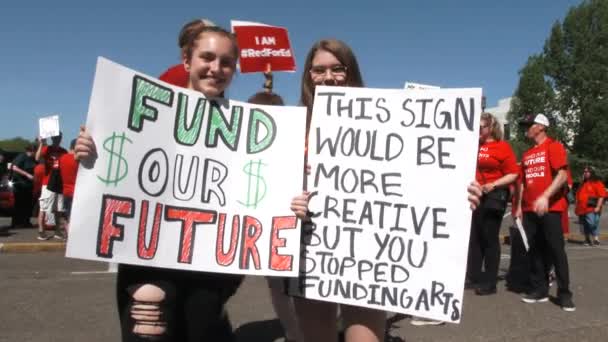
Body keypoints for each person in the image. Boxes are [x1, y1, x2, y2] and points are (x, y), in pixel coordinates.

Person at [289, 38, 483, 342]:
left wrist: (460, 195)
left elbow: (422, 181)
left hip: (373, 258)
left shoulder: (388, 122)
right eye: (319, 70)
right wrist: (291, 200)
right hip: (311, 252)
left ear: (351, 72)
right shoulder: (292, 126)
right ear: (308, 76)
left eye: (338, 69)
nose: (328, 77)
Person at [75, 23, 245, 342]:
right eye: (207, 57)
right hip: (148, 264)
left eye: (226, 62)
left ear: (234, 69)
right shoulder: (142, 118)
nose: (216, 68)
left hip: (210, 267)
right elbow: (112, 168)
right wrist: (88, 150)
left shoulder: (248, 132)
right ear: (186, 60)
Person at [248, 90, 303, 342]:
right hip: (266, 233)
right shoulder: (242, 147)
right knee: (277, 286)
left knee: (296, 288)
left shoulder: (297, 146)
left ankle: (303, 331)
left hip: (294, 228)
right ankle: (292, 332)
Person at [514, 113, 575, 312]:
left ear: (540, 126)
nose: (526, 129)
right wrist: (519, 207)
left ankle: (564, 294)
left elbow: (563, 175)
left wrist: (546, 196)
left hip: (550, 209)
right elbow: (523, 182)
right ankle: (538, 290)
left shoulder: (553, 146)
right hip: (530, 209)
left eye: (529, 125)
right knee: (535, 251)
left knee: (556, 250)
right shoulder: (527, 154)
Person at [467, 112, 519, 295]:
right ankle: (473, 277)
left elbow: (513, 173)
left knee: (489, 238)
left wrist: (494, 184)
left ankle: (490, 282)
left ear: (490, 128)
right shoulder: (473, 146)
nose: (478, 130)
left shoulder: (502, 147)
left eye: (481, 127)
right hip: (476, 195)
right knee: (475, 237)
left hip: (493, 196)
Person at [35, 134, 67, 240]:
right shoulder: (46, 148)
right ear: (52, 138)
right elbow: (37, 157)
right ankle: (41, 231)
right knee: (43, 208)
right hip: (48, 182)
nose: (57, 139)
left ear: (61, 138)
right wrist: (41, 143)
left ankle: (58, 231)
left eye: (59, 137)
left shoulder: (63, 151)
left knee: (59, 209)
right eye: (55, 137)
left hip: (59, 183)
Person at [575, 166, 605, 246]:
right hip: (581, 208)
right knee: (584, 224)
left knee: (592, 223)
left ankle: (595, 237)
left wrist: (598, 207)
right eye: (584, 172)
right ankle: (587, 239)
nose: (585, 173)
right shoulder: (582, 183)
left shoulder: (597, 182)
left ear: (591, 173)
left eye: (587, 171)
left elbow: (601, 195)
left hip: (592, 207)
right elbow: (578, 195)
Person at [10, 144, 37, 228]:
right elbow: (14, 167)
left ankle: (26, 222)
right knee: (19, 204)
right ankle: (16, 223)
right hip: (20, 184)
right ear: (30, 151)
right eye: (34, 151)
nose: (35, 153)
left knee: (28, 204)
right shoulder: (22, 156)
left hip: (28, 185)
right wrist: (26, 174)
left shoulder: (33, 159)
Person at [58, 138, 78, 235]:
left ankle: (68, 233)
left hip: (66, 191)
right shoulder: (79, 160)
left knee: (67, 215)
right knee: (76, 216)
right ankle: (73, 236)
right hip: (78, 192)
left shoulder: (62, 158)